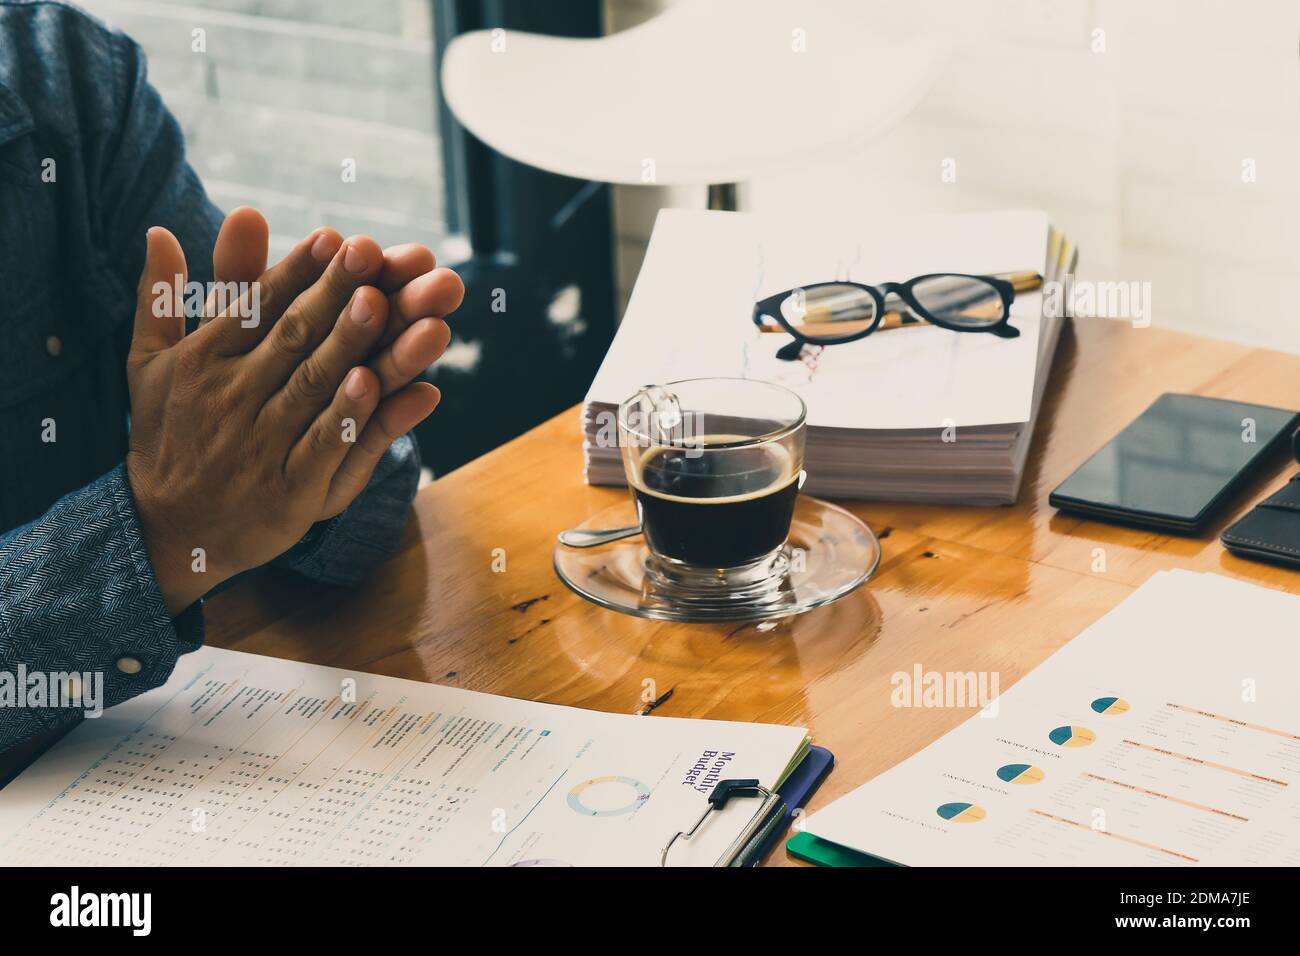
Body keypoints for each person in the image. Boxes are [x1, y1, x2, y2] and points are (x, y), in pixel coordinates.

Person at [0, 0, 464, 752]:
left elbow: (356, 492)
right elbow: (192, 507)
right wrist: (160, 533)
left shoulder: (70, 79)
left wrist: (300, 460)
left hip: (167, 753)